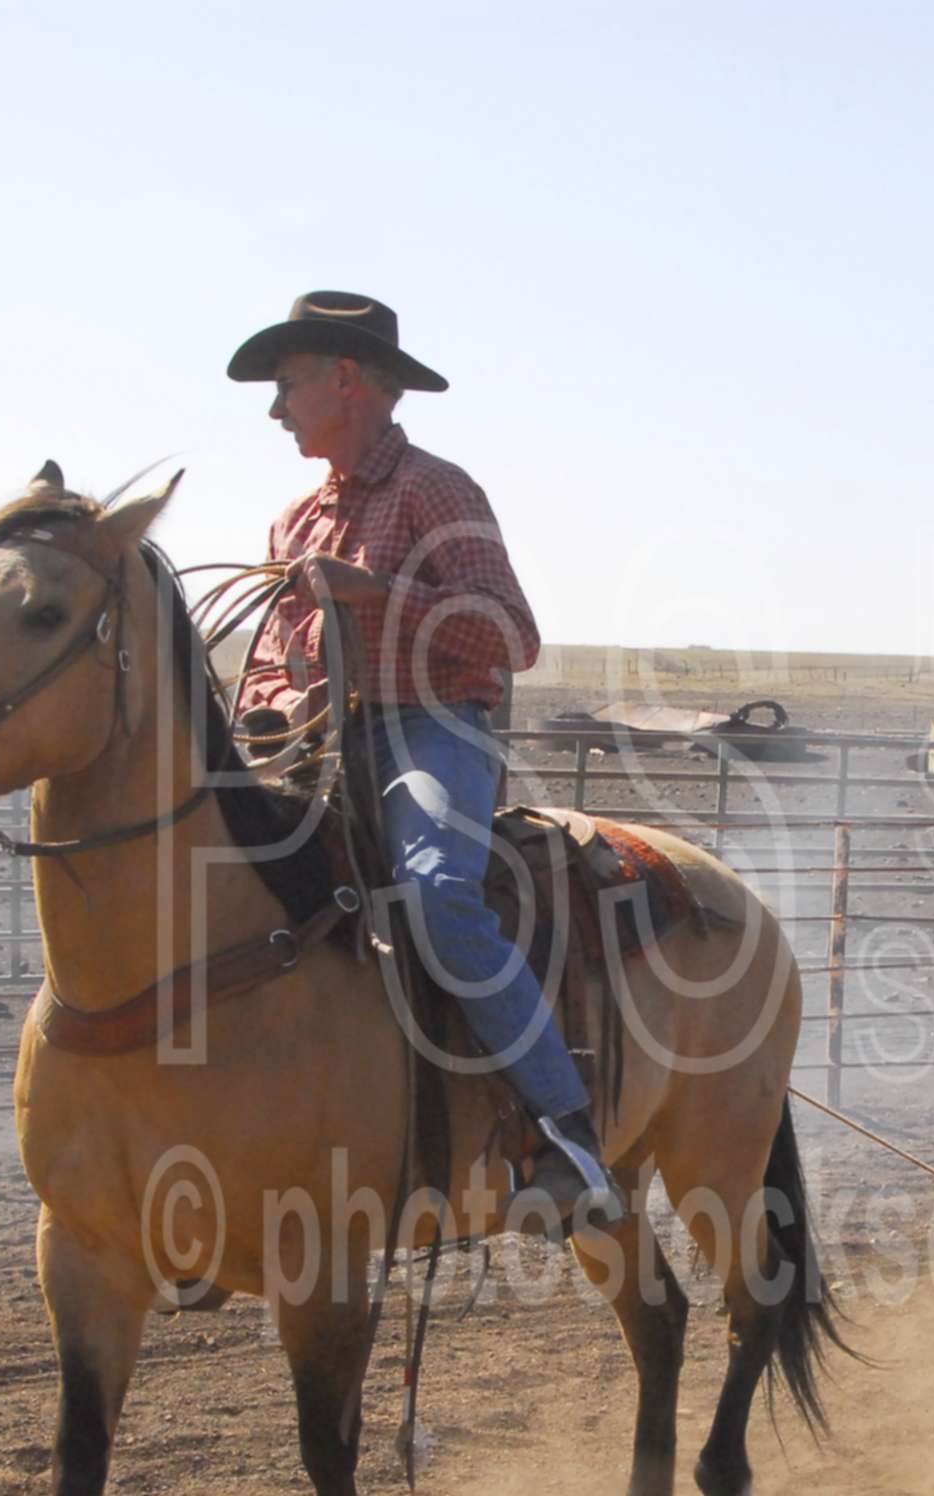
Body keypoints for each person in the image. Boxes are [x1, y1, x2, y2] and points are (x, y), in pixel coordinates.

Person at [226, 291, 621, 1237]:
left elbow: (511, 634)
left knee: (438, 890)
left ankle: (565, 1134)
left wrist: (378, 595)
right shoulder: (292, 524)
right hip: (321, 747)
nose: (276, 410)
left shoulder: (436, 492)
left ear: (346, 380)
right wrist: (276, 708)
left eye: (287, 387)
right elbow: (276, 659)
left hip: (431, 728)